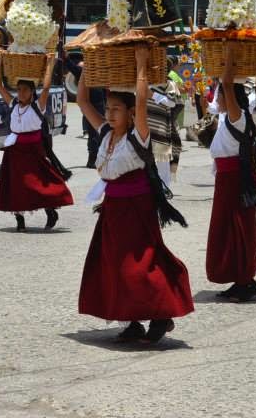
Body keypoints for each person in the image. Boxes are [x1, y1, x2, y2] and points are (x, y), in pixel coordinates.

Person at [76, 44, 194, 342]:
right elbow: (82, 101)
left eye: (116, 110)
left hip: (136, 209)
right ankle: (131, 320)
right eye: (108, 109)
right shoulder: (106, 134)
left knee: (139, 267)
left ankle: (161, 314)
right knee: (115, 266)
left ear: (130, 114)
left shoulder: (137, 137)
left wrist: (141, 65)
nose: (109, 114)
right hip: (113, 209)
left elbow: (141, 100)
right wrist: (87, 69)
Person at [206, 45, 256, 303]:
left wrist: (229, 55)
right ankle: (239, 277)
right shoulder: (228, 119)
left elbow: (229, 85)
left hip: (234, 182)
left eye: (219, 95)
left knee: (238, 229)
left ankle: (245, 279)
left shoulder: (237, 117)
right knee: (227, 230)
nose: (217, 98)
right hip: (226, 180)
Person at [0, 55, 73, 231]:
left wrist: (50, 64)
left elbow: (46, 87)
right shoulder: (13, 104)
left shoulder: (38, 106)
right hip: (14, 152)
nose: (20, 93)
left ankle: (50, 210)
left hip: (33, 151)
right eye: (18, 89)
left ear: (32, 92)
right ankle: (19, 218)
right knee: (16, 186)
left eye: (25, 90)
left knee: (38, 184)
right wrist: (0, 61)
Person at [64, 56, 105, 168]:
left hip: (101, 105)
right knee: (93, 134)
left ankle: (98, 158)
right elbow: (73, 68)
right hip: (90, 106)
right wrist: (66, 58)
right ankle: (92, 160)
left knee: (101, 133)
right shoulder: (83, 72)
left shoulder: (101, 73)